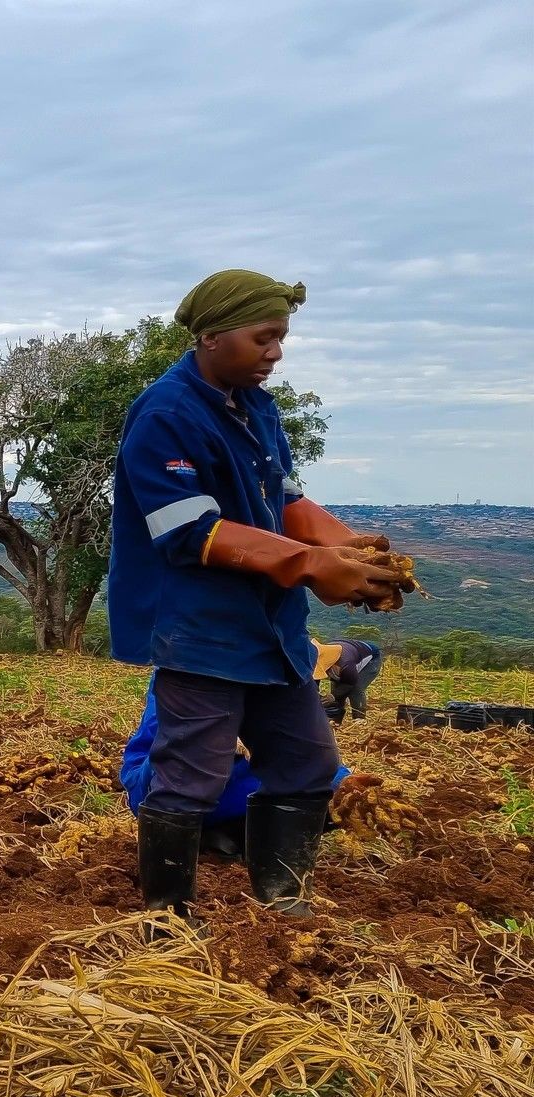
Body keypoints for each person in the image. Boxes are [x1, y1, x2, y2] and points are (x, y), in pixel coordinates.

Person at [109, 268, 401, 921]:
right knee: (192, 774)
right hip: (201, 630)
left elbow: (288, 503)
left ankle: (282, 906)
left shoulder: (256, 408)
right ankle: (167, 920)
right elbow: (192, 533)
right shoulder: (166, 415)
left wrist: (351, 552)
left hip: (271, 628)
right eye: (264, 338)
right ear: (212, 335)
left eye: (281, 339)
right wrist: (313, 564)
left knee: (305, 764)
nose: (275, 353)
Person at [121, 675, 351, 859]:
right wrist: (222, 733)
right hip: (163, 782)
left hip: (238, 787)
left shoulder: (287, 659)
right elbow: (167, 739)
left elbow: (312, 759)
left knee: (343, 794)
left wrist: (347, 785)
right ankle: (170, 894)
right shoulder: (188, 656)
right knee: (198, 751)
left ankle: (235, 839)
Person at [317, 638, 384, 722]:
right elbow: (314, 678)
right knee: (336, 689)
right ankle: (335, 720)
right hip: (349, 653)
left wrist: (333, 696)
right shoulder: (318, 659)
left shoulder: (345, 664)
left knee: (356, 689)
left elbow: (350, 683)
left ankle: (359, 719)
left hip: (371, 659)